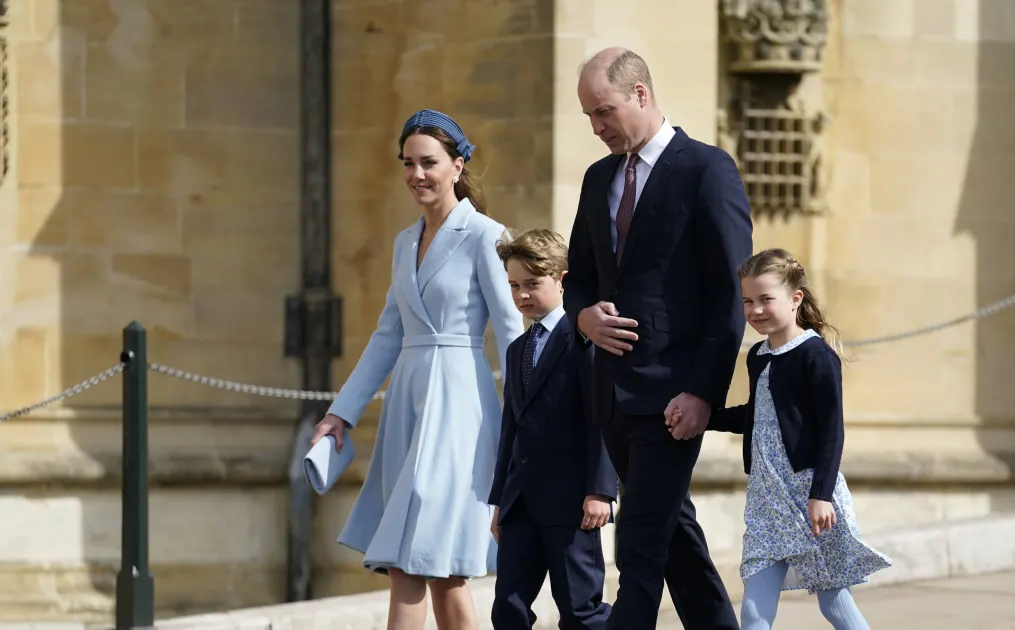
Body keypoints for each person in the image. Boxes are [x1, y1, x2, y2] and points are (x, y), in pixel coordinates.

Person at [309, 109, 524, 630]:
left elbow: (514, 332)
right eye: (408, 164)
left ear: (458, 164)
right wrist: (340, 415)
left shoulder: (486, 235)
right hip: (407, 404)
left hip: (459, 407)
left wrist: (527, 422)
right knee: (432, 566)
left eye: (429, 162)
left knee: (423, 560)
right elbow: (388, 335)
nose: (417, 175)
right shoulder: (405, 242)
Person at [563, 47, 751, 630]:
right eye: (589, 116)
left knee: (639, 545)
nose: (596, 127)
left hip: (673, 398)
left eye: (604, 112)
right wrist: (582, 318)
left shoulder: (706, 169)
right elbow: (580, 280)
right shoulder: (598, 180)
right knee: (675, 538)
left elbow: (730, 296)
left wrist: (703, 393)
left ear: (641, 93)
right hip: (612, 395)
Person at [687, 249, 892, 629]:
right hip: (767, 501)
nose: (756, 310)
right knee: (753, 613)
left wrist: (821, 495)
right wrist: (705, 418)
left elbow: (832, 430)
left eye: (766, 299)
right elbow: (758, 415)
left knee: (835, 604)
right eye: (748, 301)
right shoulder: (758, 357)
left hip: (809, 498)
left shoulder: (815, 356)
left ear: (795, 299)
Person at [488, 228, 619, 630]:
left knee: (580, 611)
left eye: (531, 284)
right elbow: (511, 428)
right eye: (513, 285)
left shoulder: (586, 340)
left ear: (562, 279)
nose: (521, 295)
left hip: (573, 504)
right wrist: (499, 503)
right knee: (507, 609)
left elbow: (602, 417)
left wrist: (600, 490)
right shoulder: (516, 350)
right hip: (521, 503)